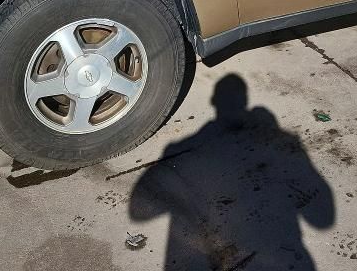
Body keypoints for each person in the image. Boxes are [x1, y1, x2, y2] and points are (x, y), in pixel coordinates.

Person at [130, 73, 335, 270]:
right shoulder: (285, 142)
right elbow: (323, 219)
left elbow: (138, 211)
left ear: (213, 101)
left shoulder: (178, 148)